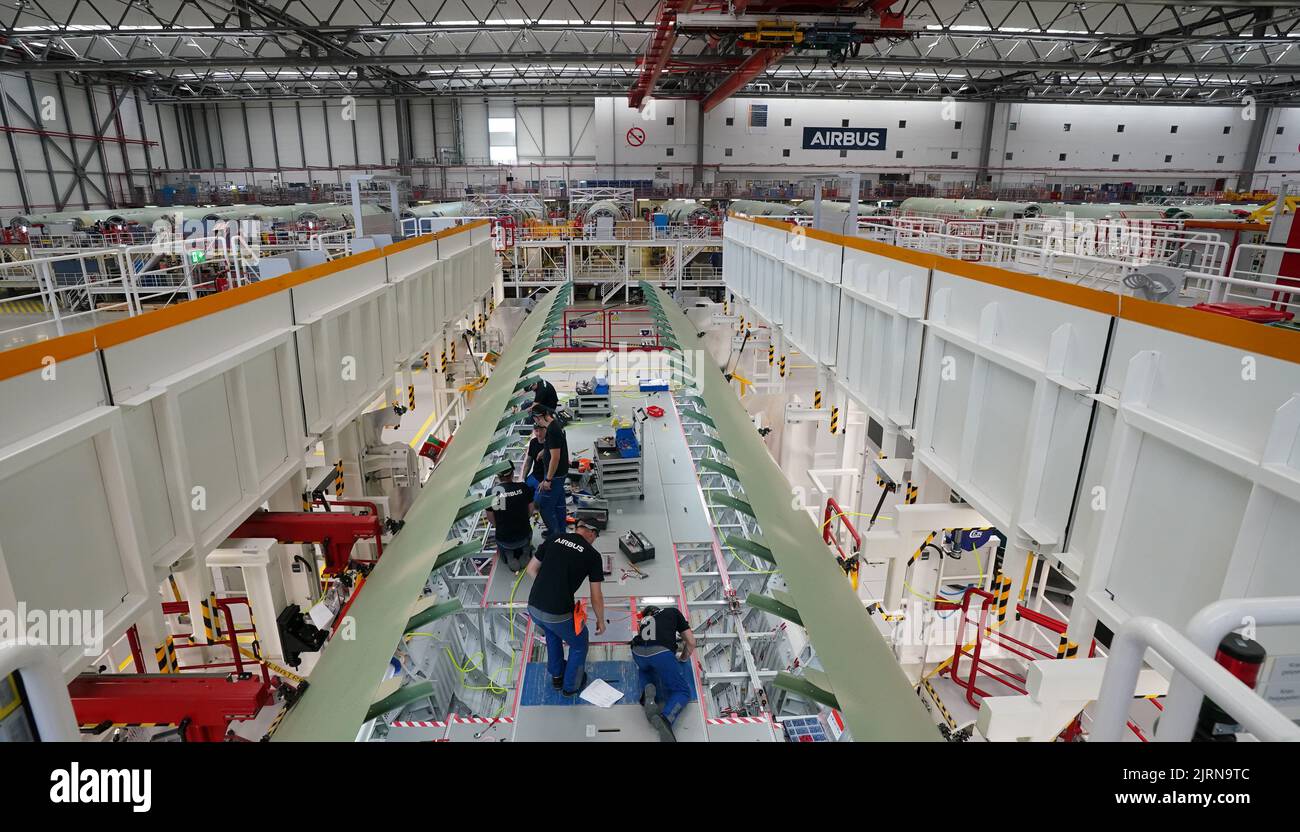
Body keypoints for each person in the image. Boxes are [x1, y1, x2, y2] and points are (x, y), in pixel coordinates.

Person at [525, 519, 605, 695]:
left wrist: (549, 586)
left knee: (552, 634)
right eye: (595, 537)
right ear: (591, 533)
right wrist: (600, 619)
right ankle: (571, 686)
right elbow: (596, 595)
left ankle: (557, 676)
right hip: (558, 613)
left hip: (533, 607)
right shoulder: (592, 555)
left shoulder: (554, 538)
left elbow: (531, 569)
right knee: (579, 642)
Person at [630, 604, 696, 742]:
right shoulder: (673, 612)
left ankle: (648, 687)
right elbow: (691, 642)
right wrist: (683, 658)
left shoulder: (644, 621)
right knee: (682, 691)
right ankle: (666, 719)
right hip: (661, 653)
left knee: (645, 668)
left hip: (637, 652)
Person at [484, 467, 534, 573]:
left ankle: (509, 555)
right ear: (512, 474)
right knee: (526, 537)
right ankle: (525, 552)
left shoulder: (492, 493)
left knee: (505, 546)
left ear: (498, 477)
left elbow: (490, 517)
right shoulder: (523, 488)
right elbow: (530, 510)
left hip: (504, 538)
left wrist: (501, 526)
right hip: (523, 535)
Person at [532, 404, 569, 540]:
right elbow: (556, 447)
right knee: (559, 504)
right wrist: (545, 450)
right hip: (561, 472)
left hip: (555, 475)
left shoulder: (552, 430)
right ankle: (561, 532)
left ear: (539, 417)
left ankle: (556, 537)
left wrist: (548, 480)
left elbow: (556, 457)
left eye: (535, 419)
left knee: (545, 507)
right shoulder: (554, 423)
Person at [522, 425, 547, 495]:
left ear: (546, 430)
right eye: (536, 431)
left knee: (537, 500)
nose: (539, 434)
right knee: (523, 493)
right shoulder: (533, 442)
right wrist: (523, 479)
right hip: (535, 475)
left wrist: (546, 480)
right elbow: (528, 462)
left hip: (547, 477)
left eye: (541, 430)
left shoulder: (551, 444)